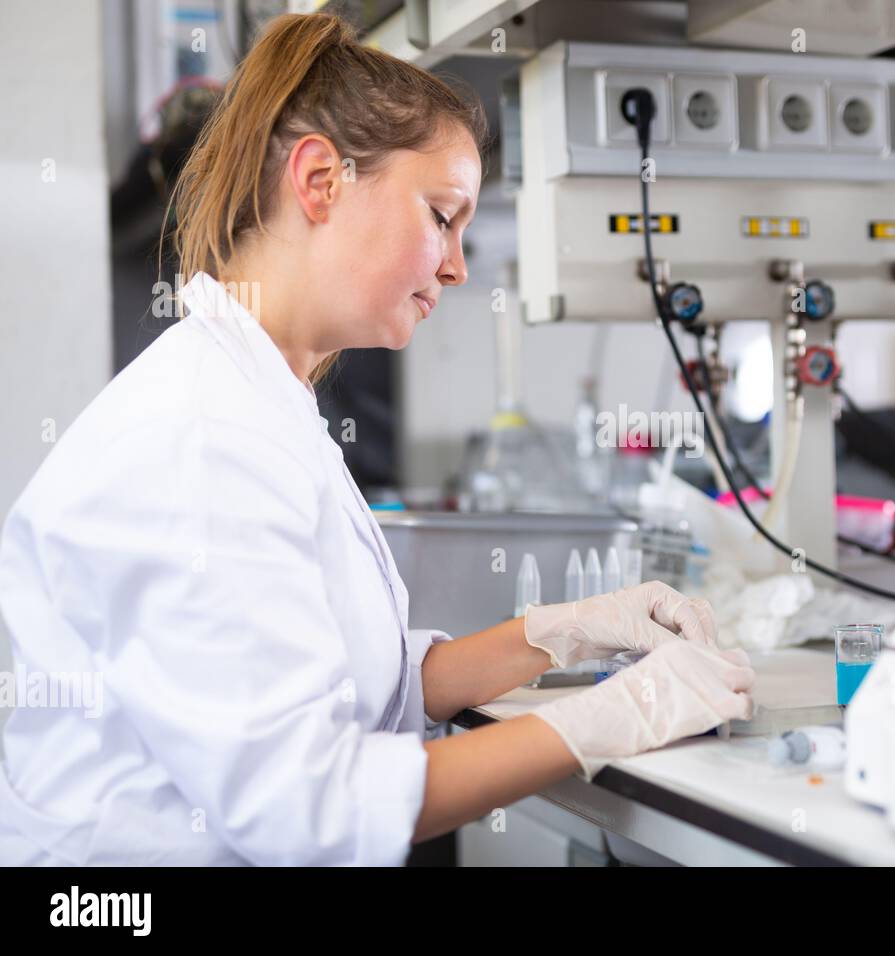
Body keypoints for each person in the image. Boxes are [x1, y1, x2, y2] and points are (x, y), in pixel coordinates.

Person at [0, 12, 754, 866]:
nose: (458, 265)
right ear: (321, 181)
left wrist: (565, 632)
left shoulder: (266, 403)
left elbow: (375, 689)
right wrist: (613, 716)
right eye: (441, 215)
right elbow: (308, 809)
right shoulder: (203, 438)